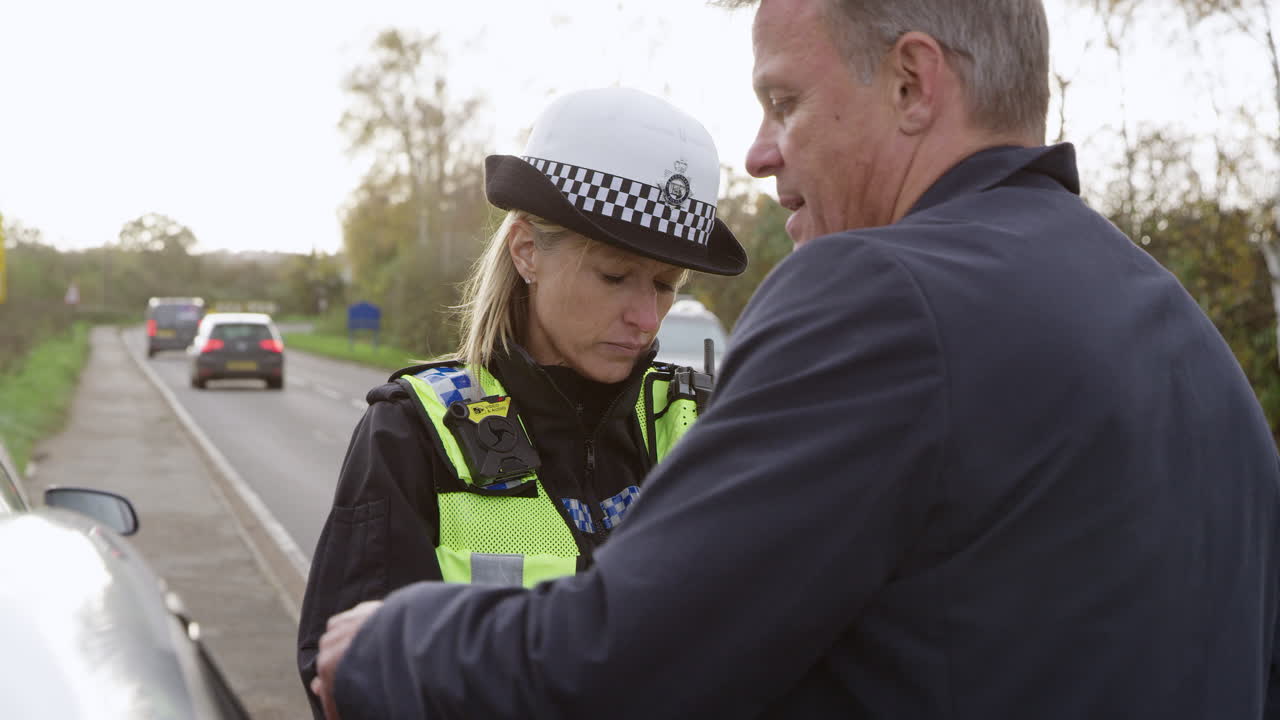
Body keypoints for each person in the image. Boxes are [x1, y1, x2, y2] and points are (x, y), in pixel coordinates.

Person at [312, 1, 1280, 717]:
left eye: (784, 101)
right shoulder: (1179, 333)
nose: (762, 151)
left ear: (911, 82)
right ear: (526, 251)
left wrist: (389, 645)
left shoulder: (877, 298)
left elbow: (626, 656)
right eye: (617, 277)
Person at [296, 87, 747, 717]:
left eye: (666, 286)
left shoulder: (707, 424)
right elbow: (351, 681)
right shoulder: (414, 431)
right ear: (526, 249)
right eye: (615, 276)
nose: (647, 318)